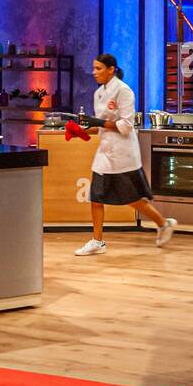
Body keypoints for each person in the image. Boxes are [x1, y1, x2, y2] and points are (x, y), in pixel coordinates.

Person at [74, 53, 177, 255]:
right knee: (96, 198)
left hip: (123, 154)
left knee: (132, 199)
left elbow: (126, 125)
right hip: (104, 154)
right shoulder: (98, 94)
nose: (94, 73)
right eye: (94, 68)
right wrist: (82, 131)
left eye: (98, 68)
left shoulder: (124, 91)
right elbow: (102, 127)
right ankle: (97, 242)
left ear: (111, 69)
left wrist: (99, 123)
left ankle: (163, 223)